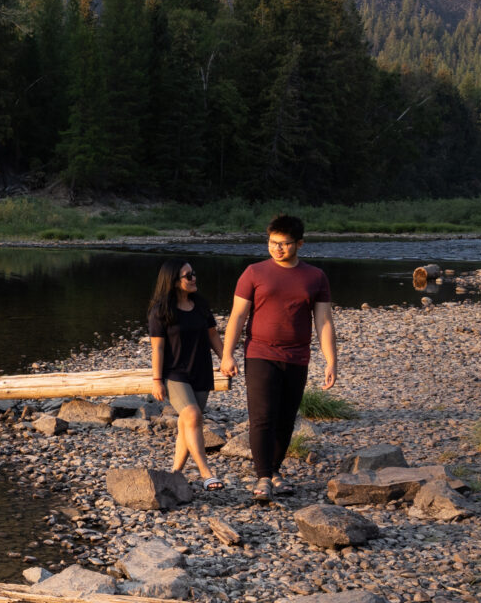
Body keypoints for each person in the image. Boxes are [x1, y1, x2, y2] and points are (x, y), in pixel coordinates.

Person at [221, 214, 339, 503]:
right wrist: (227, 354)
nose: (277, 248)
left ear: (299, 243)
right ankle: (263, 476)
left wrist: (331, 361)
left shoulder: (315, 277)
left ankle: (274, 471)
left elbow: (323, 321)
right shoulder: (254, 272)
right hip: (260, 353)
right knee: (262, 417)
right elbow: (237, 316)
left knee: (286, 419)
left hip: (297, 356)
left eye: (284, 244)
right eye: (273, 242)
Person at [145, 258, 223, 488]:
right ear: (173, 281)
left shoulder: (200, 305)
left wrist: (226, 358)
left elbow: (212, 335)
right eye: (188, 276)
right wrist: (157, 380)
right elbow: (158, 348)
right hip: (174, 373)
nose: (194, 278)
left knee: (186, 423)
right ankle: (206, 473)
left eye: (193, 273)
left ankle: (175, 473)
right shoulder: (160, 311)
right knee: (192, 415)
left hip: (201, 371)